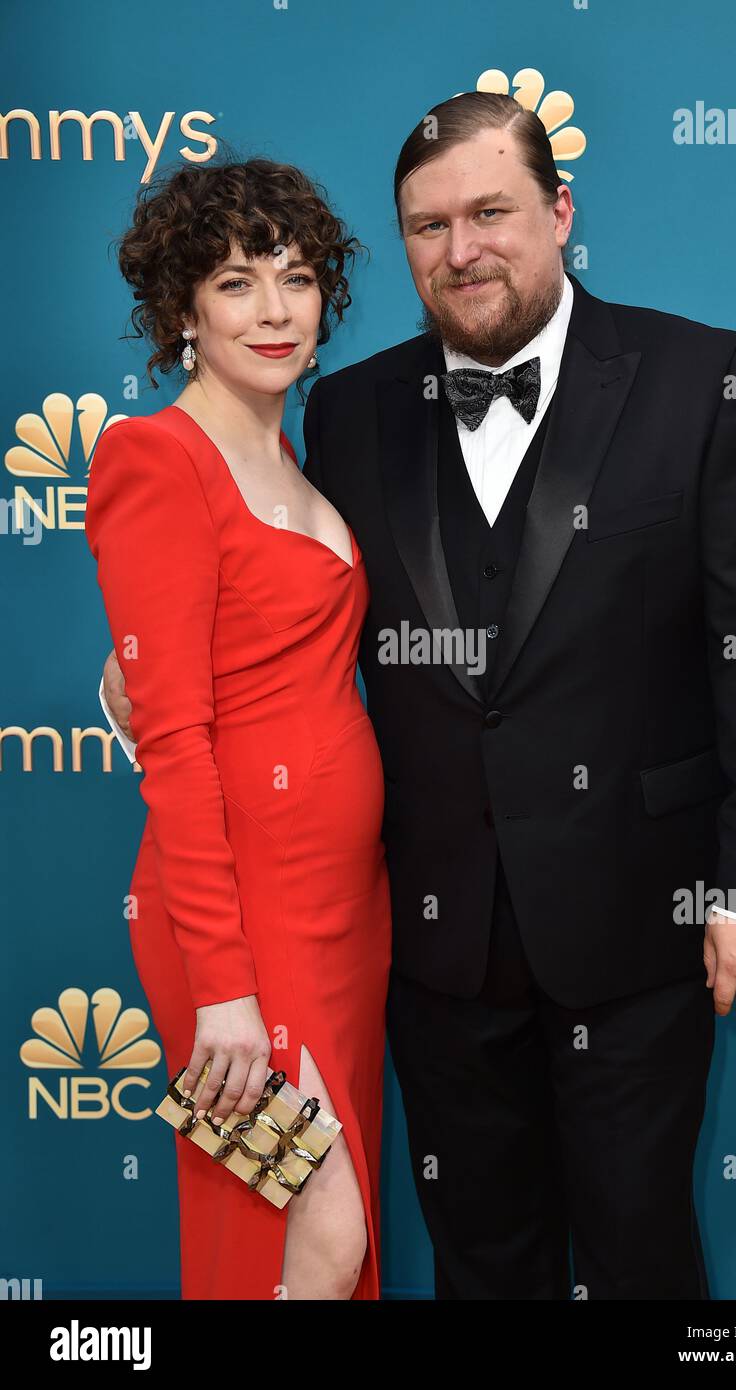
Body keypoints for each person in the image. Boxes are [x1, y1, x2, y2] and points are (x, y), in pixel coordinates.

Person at [102, 93, 736, 1300]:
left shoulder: (698, 375)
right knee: (463, 1260)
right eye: (428, 224)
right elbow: (208, 582)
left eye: (490, 211)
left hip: (635, 919)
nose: (462, 248)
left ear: (558, 213)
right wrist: (124, 662)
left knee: (637, 1251)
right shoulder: (347, 409)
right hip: (423, 935)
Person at [86, 157, 391, 1301]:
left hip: (340, 913)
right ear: (181, 311)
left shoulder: (294, 459)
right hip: (238, 926)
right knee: (322, 1225)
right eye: (233, 283)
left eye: (296, 279)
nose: (273, 311)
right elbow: (172, 733)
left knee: (310, 1226)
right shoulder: (155, 457)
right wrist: (221, 985)